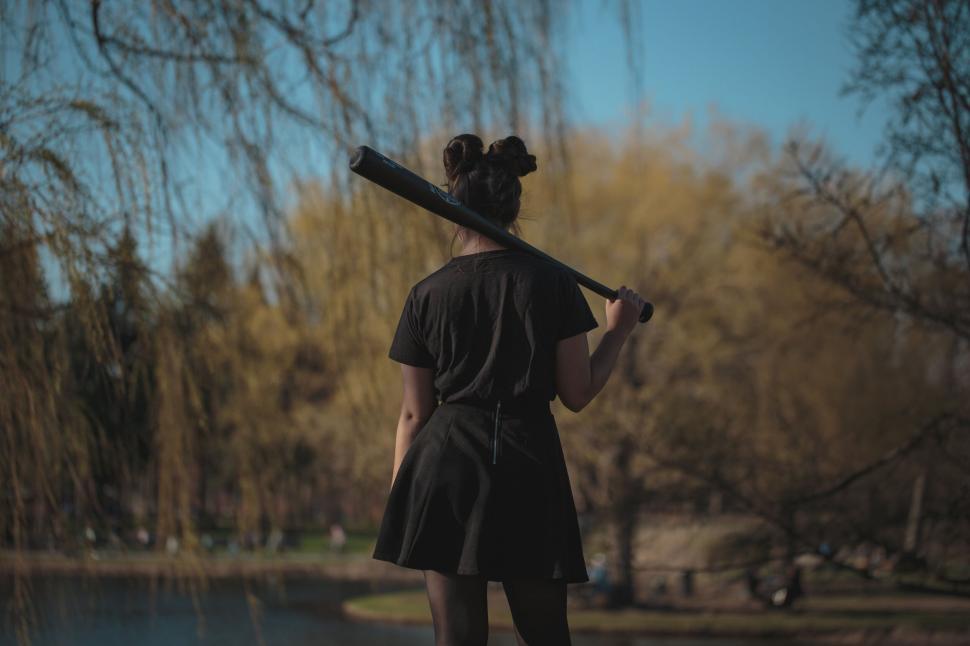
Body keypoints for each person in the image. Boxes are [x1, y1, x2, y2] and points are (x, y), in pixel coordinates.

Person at [371, 133, 647, 645]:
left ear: (454, 206)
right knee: (546, 637)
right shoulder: (554, 284)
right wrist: (618, 330)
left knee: (457, 640)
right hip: (528, 460)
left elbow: (414, 416)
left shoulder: (426, 294)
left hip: (445, 467)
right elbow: (577, 393)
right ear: (514, 206)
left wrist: (401, 494)